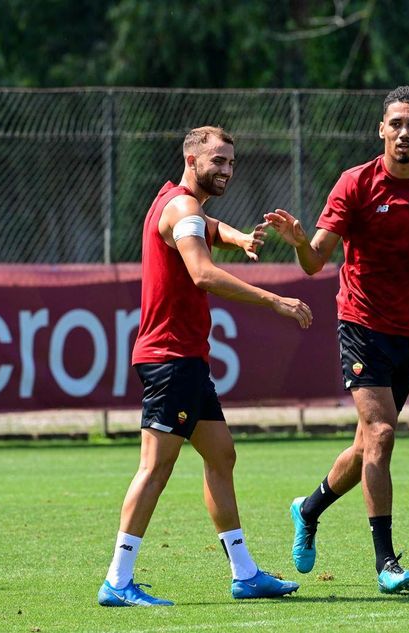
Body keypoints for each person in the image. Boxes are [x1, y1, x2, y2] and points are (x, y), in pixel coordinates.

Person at [265, 86, 409, 594]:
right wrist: (298, 243)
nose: (403, 133)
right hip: (360, 323)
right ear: (381, 130)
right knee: (383, 435)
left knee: (364, 447)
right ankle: (385, 563)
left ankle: (307, 509)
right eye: (394, 123)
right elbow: (314, 263)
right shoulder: (355, 184)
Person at [97, 126, 313, 607]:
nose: (227, 170)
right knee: (155, 468)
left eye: (231, 162)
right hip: (170, 359)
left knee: (221, 455)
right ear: (191, 160)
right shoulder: (181, 207)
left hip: (185, 359)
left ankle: (245, 574)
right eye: (217, 161)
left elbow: (206, 230)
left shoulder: (173, 202)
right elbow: (201, 273)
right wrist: (273, 299)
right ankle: (117, 580)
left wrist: (238, 239)